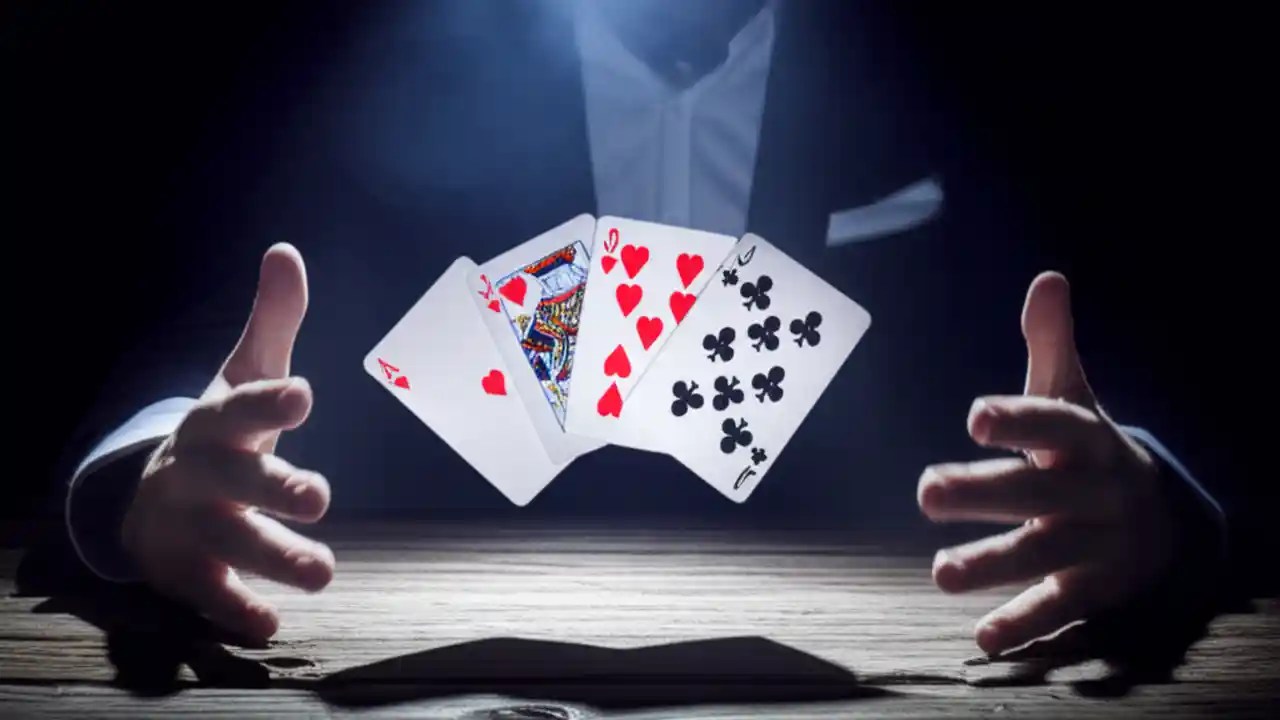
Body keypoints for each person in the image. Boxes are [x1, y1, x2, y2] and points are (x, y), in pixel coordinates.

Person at [42, 0, 1237, 651]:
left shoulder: (977, 86)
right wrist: (147, 479)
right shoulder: (322, 64)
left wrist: (1160, 505)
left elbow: (1188, 369)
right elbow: (165, 359)